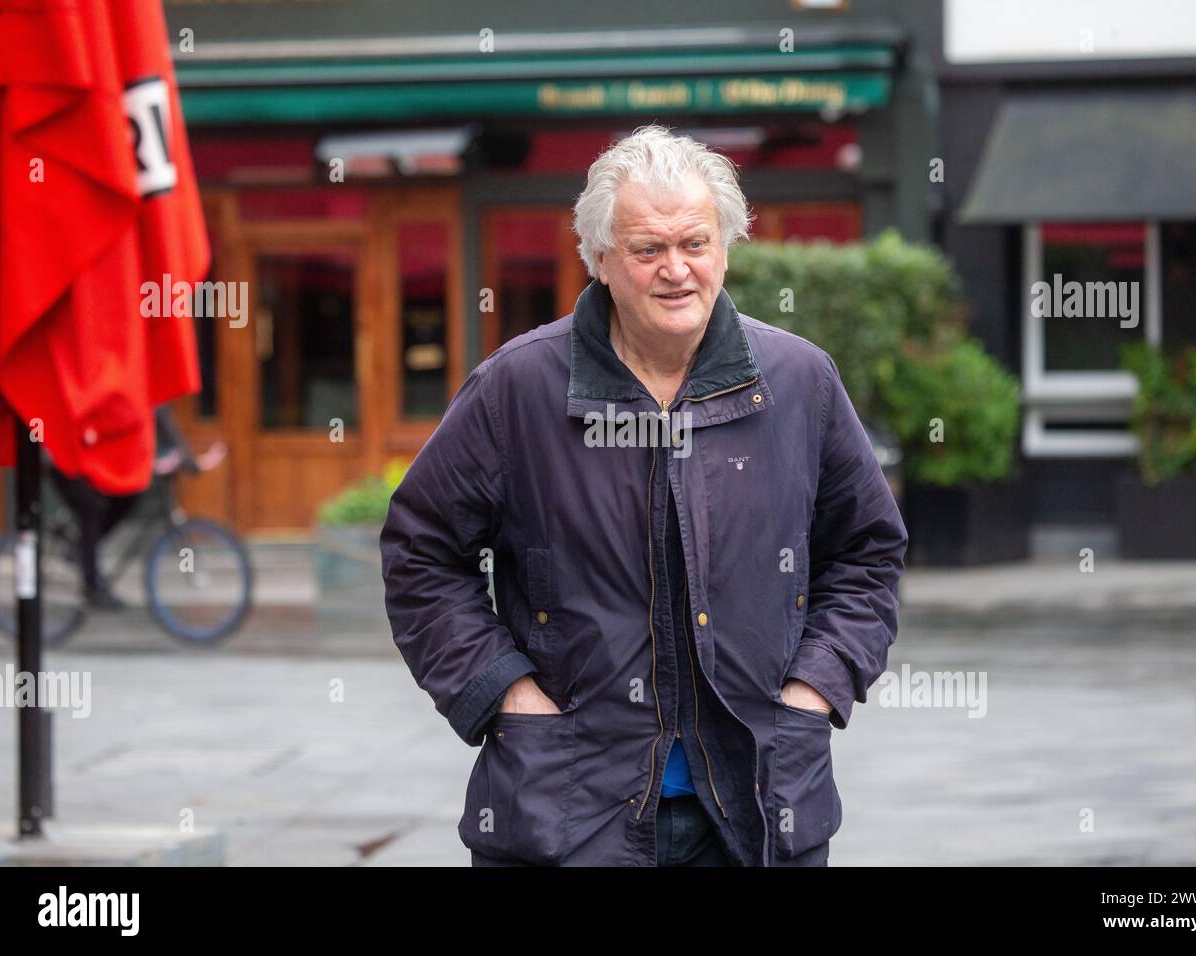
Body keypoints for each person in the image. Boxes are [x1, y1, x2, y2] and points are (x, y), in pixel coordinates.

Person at [380, 124, 907, 867]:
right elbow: (420, 553)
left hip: (761, 798)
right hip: (565, 805)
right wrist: (504, 692)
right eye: (647, 249)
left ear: (725, 246)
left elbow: (868, 552)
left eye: (695, 243)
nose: (676, 270)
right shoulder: (518, 388)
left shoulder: (798, 382)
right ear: (599, 260)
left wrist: (814, 690)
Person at [52, 404, 199, 609]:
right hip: (67, 450)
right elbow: (155, 411)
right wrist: (182, 454)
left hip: (94, 450)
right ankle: (91, 584)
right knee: (90, 507)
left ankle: (80, 548)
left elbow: (156, 413)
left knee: (128, 496)